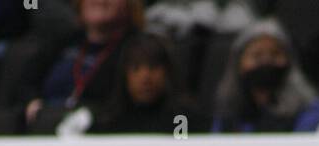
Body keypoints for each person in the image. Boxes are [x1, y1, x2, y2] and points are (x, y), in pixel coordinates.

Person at [19, 0, 143, 134]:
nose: (100, 2)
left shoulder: (139, 48)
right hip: (45, 127)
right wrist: (31, 101)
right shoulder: (63, 41)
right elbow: (26, 83)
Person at [58, 30, 206, 135]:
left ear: (167, 71)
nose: (145, 77)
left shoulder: (184, 119)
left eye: (153, 67)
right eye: (136, 68)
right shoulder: (109, 121)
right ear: (125, 75)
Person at [211, 18, 319, 132]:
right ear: (239, 63)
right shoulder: (227, 110)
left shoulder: (308, 108)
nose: (266, 62)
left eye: (275, 54)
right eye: (257, 55)